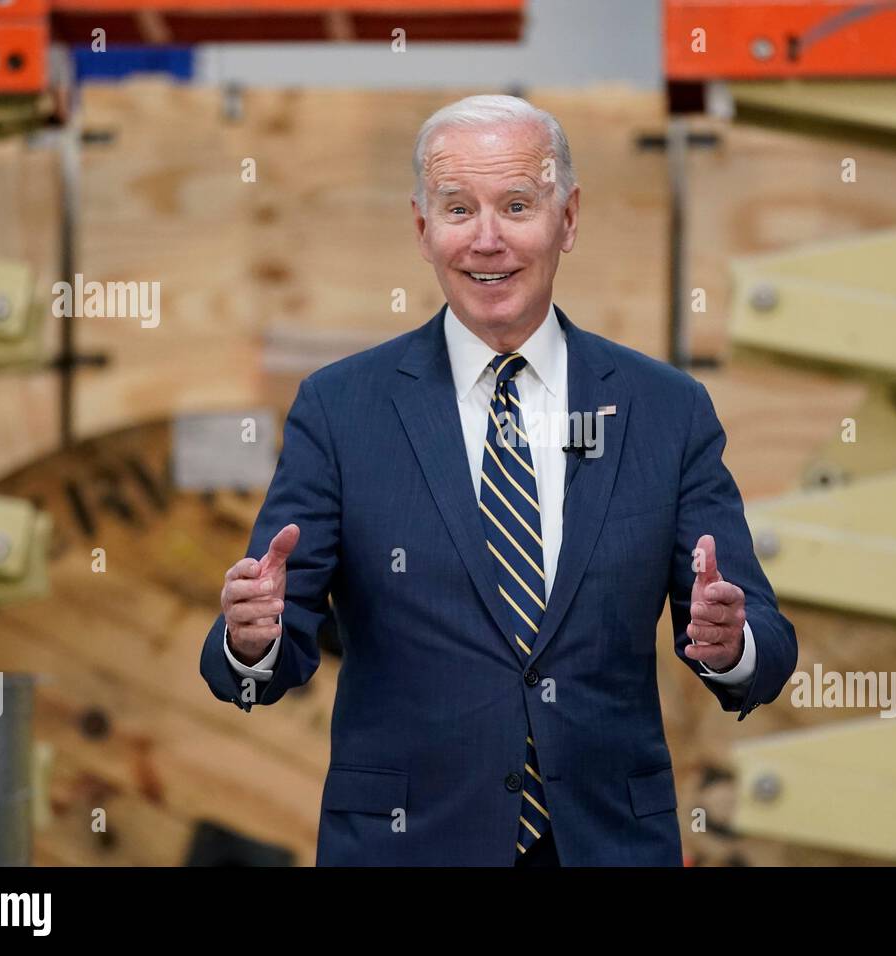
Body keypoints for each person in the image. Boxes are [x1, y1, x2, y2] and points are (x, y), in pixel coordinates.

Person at [200, 94, 798, 866]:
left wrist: (732, 645)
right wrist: (251, 640)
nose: (488, 240)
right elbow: (256, 662)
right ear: (423, 229)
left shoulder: (665, 411)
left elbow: (768, 649)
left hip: (605, 845)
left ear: (568, 219)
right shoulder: (341, 409)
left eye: (517, 205)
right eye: (458, 209)